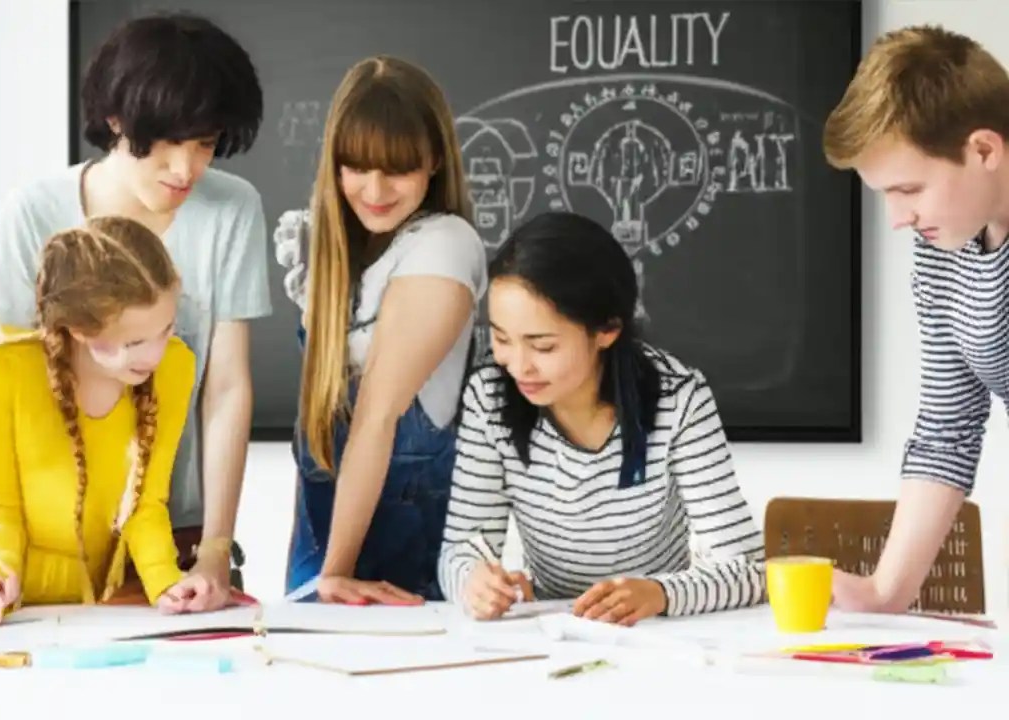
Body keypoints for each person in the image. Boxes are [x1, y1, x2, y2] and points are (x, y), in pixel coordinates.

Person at [0, 12, 269, 599]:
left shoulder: (233, 209)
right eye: (170, 143)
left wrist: (215, 551)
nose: (187, 169)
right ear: (117, 119)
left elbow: (226, 386)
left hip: (173, 533)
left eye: (205, 144)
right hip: (45, 543)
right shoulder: (33, 210)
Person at [438, 212, 766, 624]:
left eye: (542, 346)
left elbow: (751, 571)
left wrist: (660, 593)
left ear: (606, 330)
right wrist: (473, 581)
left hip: (659, 632)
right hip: (553, 630)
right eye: (502, 338)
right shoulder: (489, 397)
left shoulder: (679, 398)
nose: (517, 366)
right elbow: (458, 551)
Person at [274, 56, 486, 603]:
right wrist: (319, 580)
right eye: (356, 165)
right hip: (318, 555)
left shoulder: (443, 244)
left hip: (401, 573)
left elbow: (374, 419)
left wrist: (335, 576)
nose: (374, 189)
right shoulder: (329, 251)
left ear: (434, 160)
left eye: (397, 168)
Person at [0, 217, 211, 627]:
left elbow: (146, 504)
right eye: (134, 342)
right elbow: (0, 506)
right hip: (20, 609)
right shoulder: (2, 373)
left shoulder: (175, 366)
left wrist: (165, 582)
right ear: (79, 330)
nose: (155, 353)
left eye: (167, 328)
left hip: (104, 609)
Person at [822, 25, 1009, 612]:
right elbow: (947, 426)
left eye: (909, 189)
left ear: (984, 150)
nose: (899, 218)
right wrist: (885, 593)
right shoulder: (943, 249)